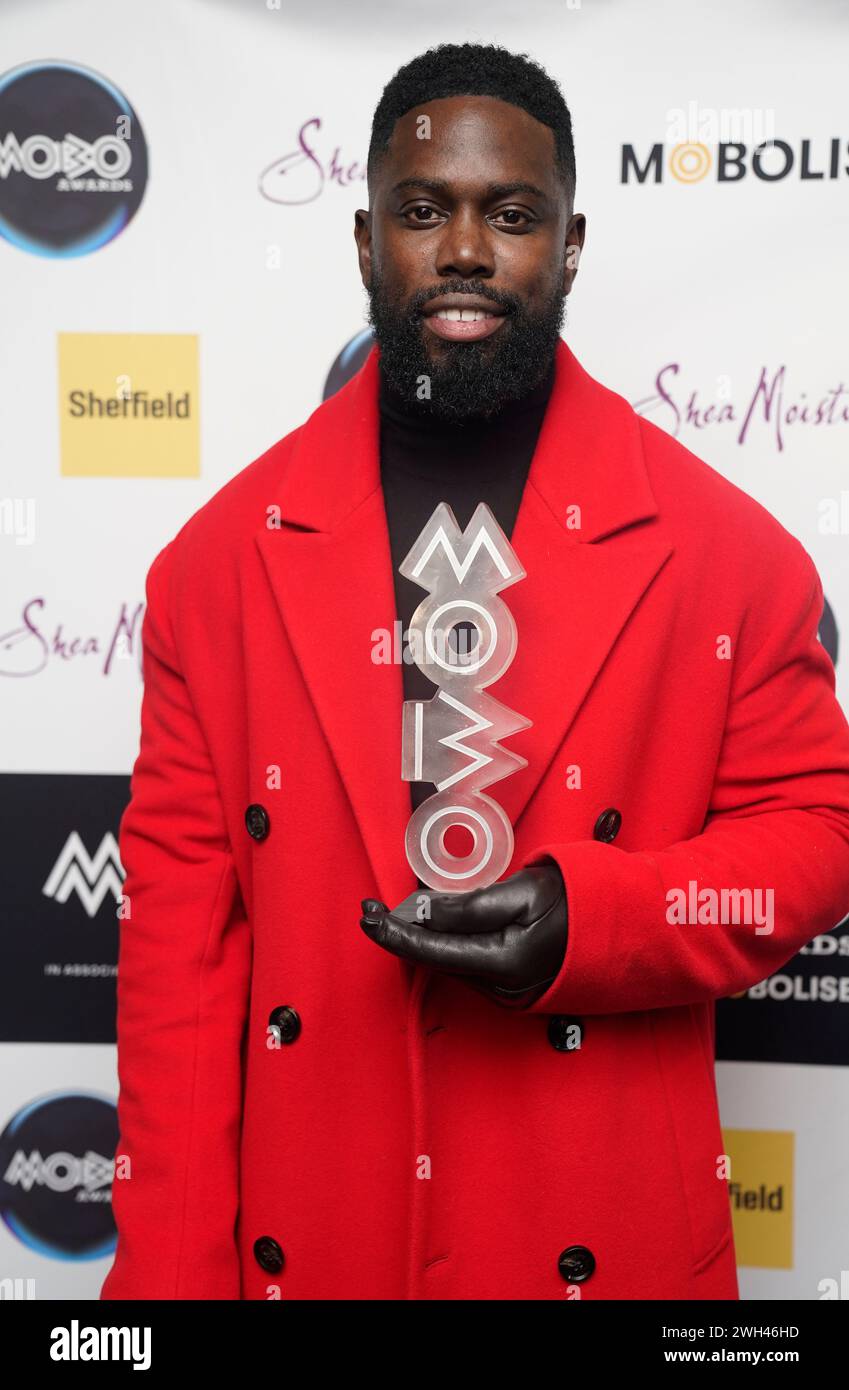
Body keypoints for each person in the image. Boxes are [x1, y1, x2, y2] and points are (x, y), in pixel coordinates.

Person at [101, 42, 849, 1302]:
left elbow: (820, 837)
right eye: (420, 210)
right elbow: (177, 971)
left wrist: (602, 919)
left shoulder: (728, 553)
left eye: (509, 215)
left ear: (571, 245)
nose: (462, 251)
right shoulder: (214, 568)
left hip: (601, 1225)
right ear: (362, 240)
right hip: (319, 1228)